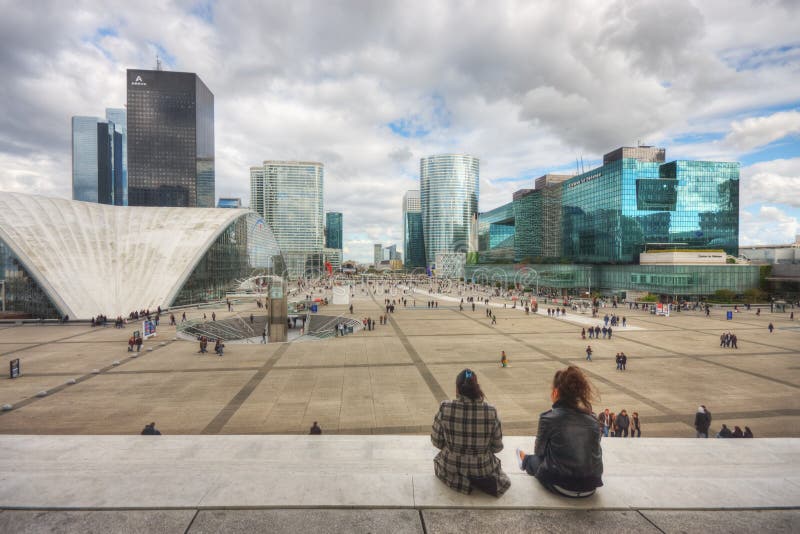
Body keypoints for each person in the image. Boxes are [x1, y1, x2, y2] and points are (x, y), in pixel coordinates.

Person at [516, 366, 603, 498]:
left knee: (534, 460)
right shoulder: (593, 419)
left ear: (555, 393)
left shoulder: (548, 418)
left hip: (561, 485)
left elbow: (539, 452)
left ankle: (525, 460)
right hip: (591, 485)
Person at [431, 369, 510, 497]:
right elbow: (497, 447)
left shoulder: (445, 408)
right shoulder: (491, 411)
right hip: (483, 470)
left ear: (457, 389)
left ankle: (462, 481)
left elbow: (436, 441)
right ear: (476, 387)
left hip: (450, 467)